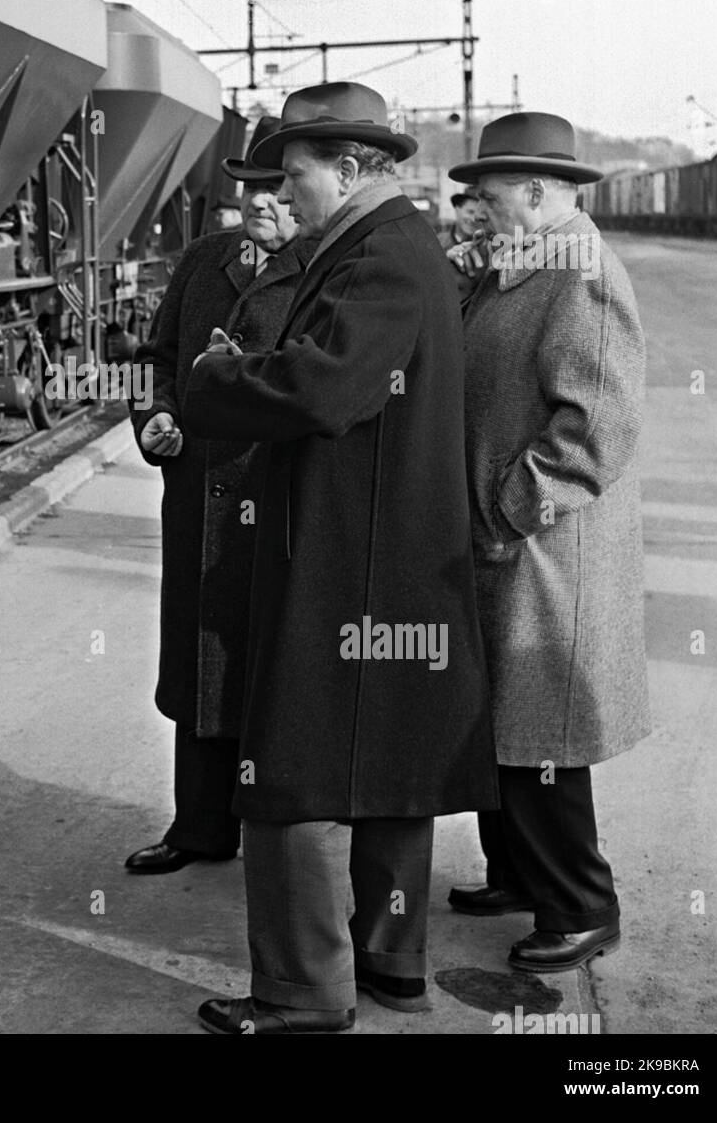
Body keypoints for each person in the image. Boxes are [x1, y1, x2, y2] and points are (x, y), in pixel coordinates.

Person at [182, 83, 498, 1034]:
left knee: (290, 772)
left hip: (351, 557)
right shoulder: (389, 250)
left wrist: (215, 380)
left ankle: (302, 994)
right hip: (380, 551)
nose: (284, 192)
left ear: (349, 170)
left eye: (296, 174)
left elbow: (322, 390)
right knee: (389, 765)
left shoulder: (383, 259)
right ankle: (390, 961)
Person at [445, 112, 650, 972]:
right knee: (507, 726)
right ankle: (518, 874)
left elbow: (596, 427)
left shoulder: (583, 274)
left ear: (537, 191)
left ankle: (580, 905)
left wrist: (505, 510)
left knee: (546, 736)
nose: (475, 211)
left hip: (543, 545)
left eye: (487, 197)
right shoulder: (520, 264)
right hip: (514, 543)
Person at [126, 116, 317, 874]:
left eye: (276, 189)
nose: (261, 204)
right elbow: (153, 360)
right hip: (198, 497)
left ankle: (281, 848)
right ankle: (198, 827)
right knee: (199, 663)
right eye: (250, 189)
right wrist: (157, 420)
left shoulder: (324, 271)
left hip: (279, 505)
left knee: (269, 668)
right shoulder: (204, 260)